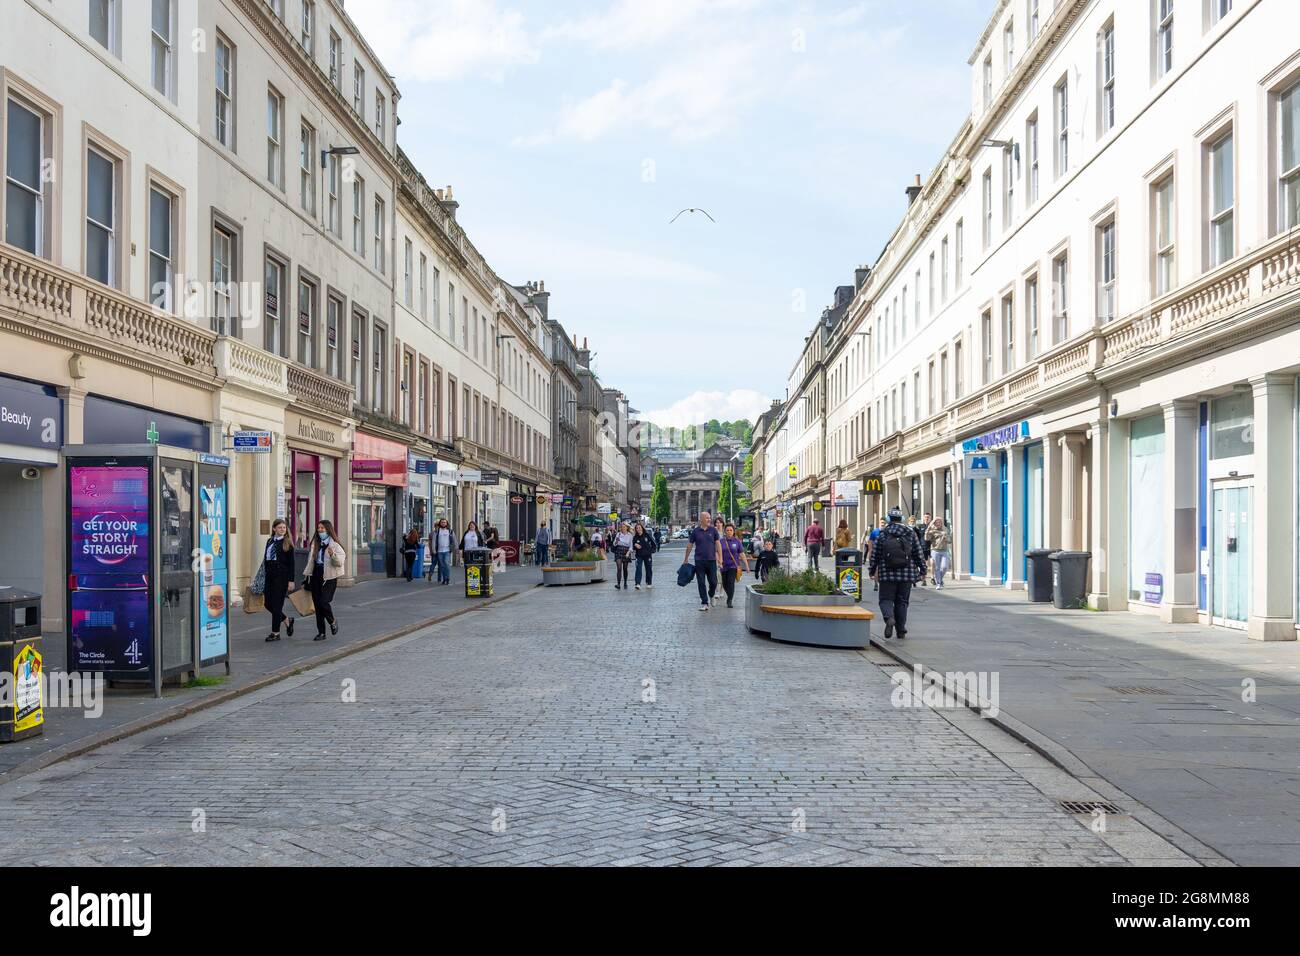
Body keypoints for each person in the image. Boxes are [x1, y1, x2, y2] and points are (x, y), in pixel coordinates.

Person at [868, 507, 926, 640]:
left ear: (888, 519)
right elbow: (918, 553)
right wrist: (923, 570)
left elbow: (875, 555)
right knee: (902, 602)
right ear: (902, 519)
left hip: (887, 573)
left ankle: (889, 618)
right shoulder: (910, 533)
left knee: (885, 599)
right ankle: (901, 630)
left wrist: (872, 570)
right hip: (906, 574)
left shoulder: (883, 534)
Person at [303, 519, 346, 641]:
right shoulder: (315, 544)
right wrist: (307, 577)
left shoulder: (335, 545)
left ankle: (332, 621)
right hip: (316, 575)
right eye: (319, 528)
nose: (320, 530)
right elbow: (311, 562)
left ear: (328, 530)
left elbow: (340, 562)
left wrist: (333, 555)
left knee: (323, 602)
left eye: (322, 528)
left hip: (329, 576)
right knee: (317, 605)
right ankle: (321, 632)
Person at [261, 518, 297, 642]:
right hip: (269, 575)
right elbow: (265, 559)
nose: (282, 529)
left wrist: (291, 580)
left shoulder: (287, 543)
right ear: (274, 528)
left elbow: (292, 563)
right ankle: (286, 619)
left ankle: (275, 633)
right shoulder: (269, 541)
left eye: (284, 527)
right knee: (267, 604)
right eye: (280, 527)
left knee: (277, 605)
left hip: (281, 576)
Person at [682, 510, 722, 611]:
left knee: (713, 582)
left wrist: (720, 558)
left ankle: (711, 594)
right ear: (701, 519)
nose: (709, 519)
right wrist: (686, 558)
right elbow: (690, 545)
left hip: (711, 560)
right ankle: (704, 603)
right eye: (707, 518)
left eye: (709, 518)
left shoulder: (713, 530)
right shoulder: (695, 531)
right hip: (699, 561)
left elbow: (718, 544)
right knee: (701, 582)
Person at [719, 522, 751, 608]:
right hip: (723, 566)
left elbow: (742, 554)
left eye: (731, 530)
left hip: (733, 566)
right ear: (725, 531)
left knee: (731, 582)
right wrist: (718, 561)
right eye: (727, 530)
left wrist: (747, 565)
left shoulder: (737, 541)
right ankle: (729, 595)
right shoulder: (721, 541)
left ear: (733, 531)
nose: (729, 532)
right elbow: (717, 552)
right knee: (725, 584)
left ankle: (729, 600)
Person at [925, 517, 953, 589]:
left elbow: (950, 541)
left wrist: (946, 538)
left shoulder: (945, 530)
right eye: (936, 522)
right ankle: (939, 583)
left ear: (941, 523)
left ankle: (939, 578)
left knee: (944, 567)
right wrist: (929, 526)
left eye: (939, 522)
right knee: (937, 568)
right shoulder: (932, 530)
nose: (938, 524)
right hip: (935, 550)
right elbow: (926, 538)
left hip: (944, 551)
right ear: (934, 523)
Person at [632, 521, 657, 589]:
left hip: (647, 555)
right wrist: (635, 545)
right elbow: (633, 546)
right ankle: (638, 583)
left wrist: (652, 550)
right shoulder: (635, 537)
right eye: (637, 528)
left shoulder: (647, 535)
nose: (638, 529)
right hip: (639, 555)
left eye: (639, 528)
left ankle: (649, 582)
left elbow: (654, 543)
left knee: (648, 568)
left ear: (642, 528)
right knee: (638, 568)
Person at [865, 517, 887, 591]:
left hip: (885, 554)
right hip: (876, 553)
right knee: (876, 568)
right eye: (881, 522)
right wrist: (870, 552)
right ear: (879, 523)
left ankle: (882, 584)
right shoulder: (875, 532)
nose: (882, 524)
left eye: (884, 523)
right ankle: (876, 584)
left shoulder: (887, 531)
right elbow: (870, 542)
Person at [611, 521, 634, 590]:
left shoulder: (630, 535)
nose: (622, 528)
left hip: (626, 551)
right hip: (618, 550)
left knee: (625, 568)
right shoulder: (618, 534)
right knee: (619, 568)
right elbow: (614, 544)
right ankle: (618, 584)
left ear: (627, 528)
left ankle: (625, 583)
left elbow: (631, 546)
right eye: (621, 527)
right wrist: (616, 541)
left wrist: (628, 553)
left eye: (624, 527)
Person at [430, 518, 454, 585]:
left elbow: (454, 540)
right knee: (442, 566)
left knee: (446, 564)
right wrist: (434, 550)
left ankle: (447, 578)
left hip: (447, 550)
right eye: (442, 522)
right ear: (440, 523)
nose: (443, 523)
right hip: (439, 551)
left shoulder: (450, 531)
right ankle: (444, 579)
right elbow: (434, 541)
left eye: (444, 522)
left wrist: (457, 548)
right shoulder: (437, 531)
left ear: (447, 523)